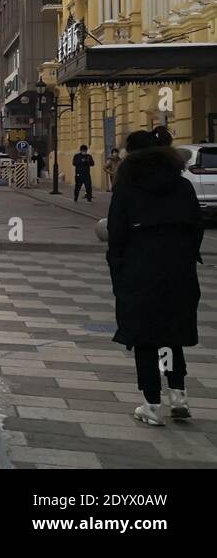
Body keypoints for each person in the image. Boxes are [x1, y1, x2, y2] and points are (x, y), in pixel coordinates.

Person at [106, 130, 201, 426]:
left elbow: (116, 233)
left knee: (145, 336)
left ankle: (151, 404)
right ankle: (178, 395)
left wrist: (117, 268)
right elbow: (196, 228)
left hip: (140, 269)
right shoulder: (183, 185)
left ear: (131, 155)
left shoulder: (126, 188)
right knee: (171, 335)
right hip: (178, 270)